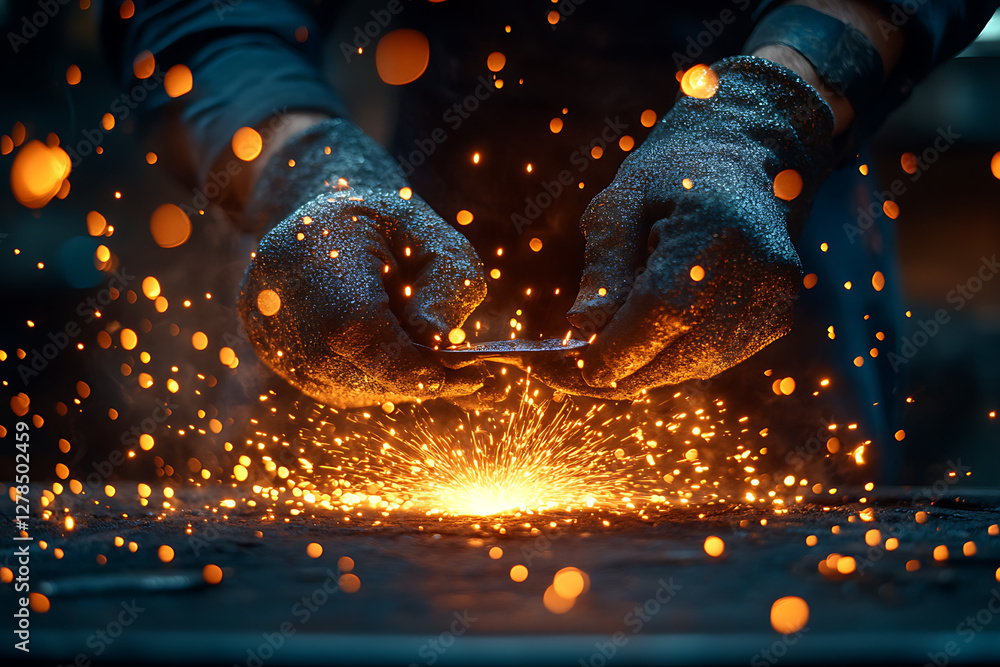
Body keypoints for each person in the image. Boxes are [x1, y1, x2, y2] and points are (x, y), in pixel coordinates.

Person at [103, 0, 999, 481]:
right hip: (426, 222)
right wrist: (304, 166)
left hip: (760, 208)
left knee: (810, 555)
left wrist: (765, 111)